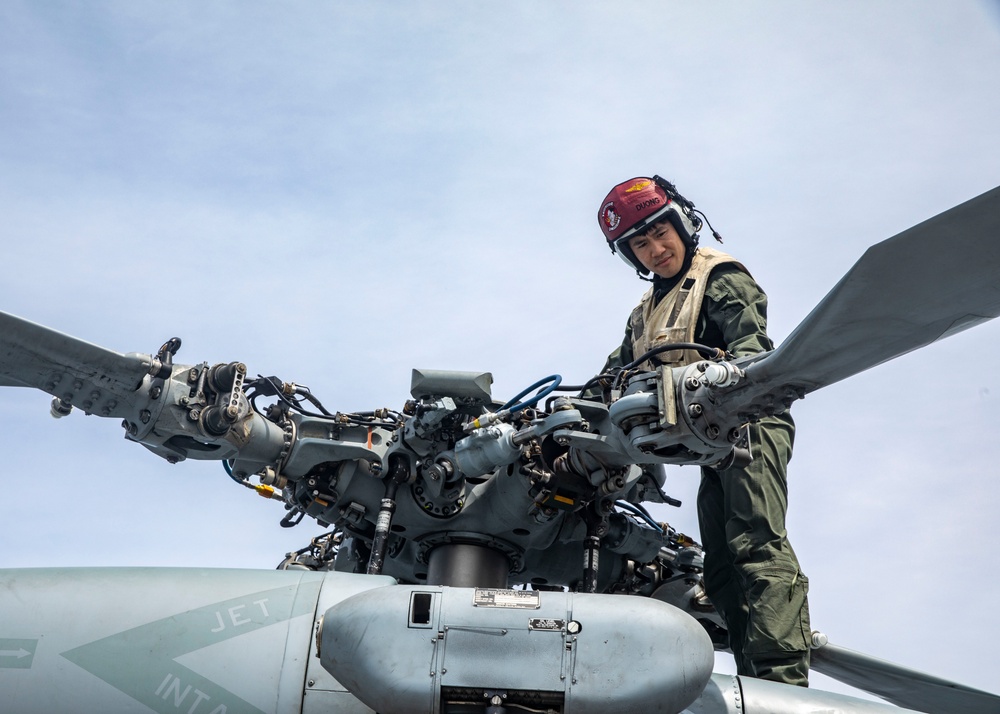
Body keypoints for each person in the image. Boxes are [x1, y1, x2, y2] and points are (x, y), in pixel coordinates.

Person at [596, 176, 811, 686]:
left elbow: (753, 350)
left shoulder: (718, 277)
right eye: (640, 245)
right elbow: (609, 380)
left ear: (682, 224)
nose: (655, 250)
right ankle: (751, 681)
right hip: (709, 444)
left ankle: (782, 681)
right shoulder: (644, 315)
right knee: (719, 568)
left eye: (660, 233)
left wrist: (720, 383)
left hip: (751, 424)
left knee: (755, 546)